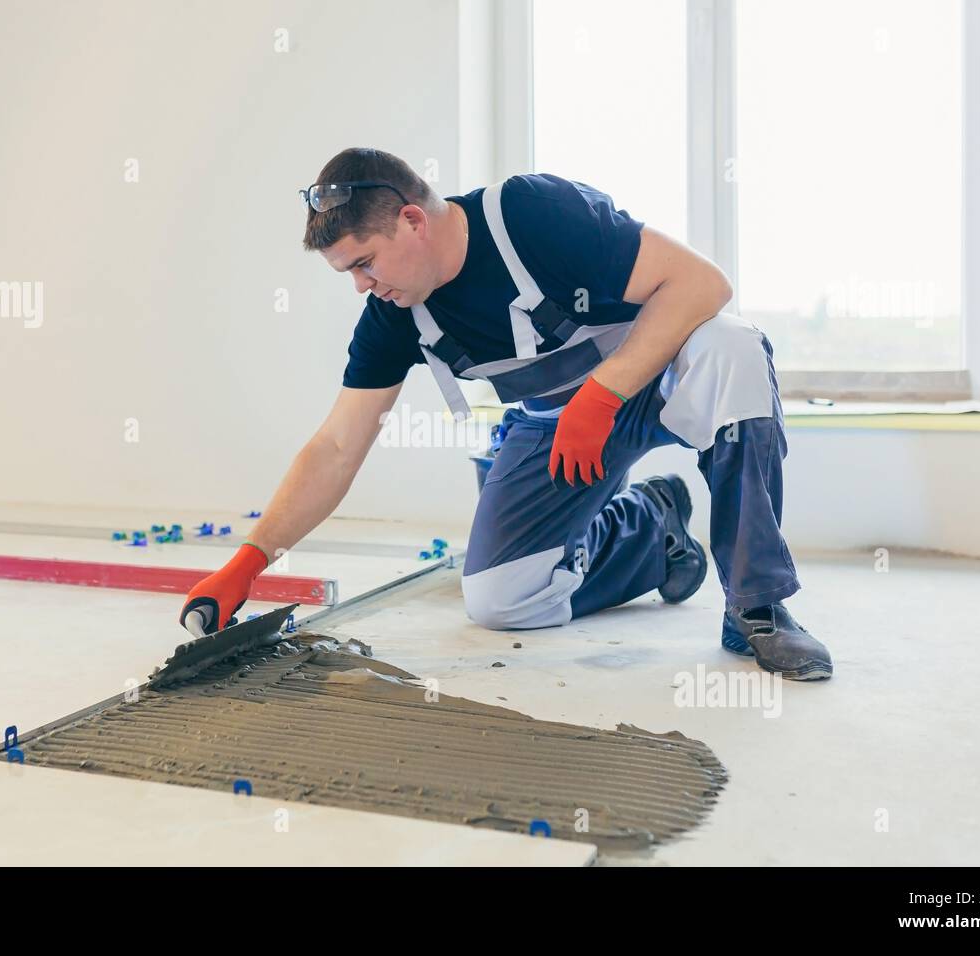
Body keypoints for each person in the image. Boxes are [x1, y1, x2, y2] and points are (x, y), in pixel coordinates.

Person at [180, 147, 832, 681]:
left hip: (661, 380)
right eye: (348, 273)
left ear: (412, 220)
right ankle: (654, 531)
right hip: (557, 424)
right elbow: (336, 447)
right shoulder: (394, 316)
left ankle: (757, 606)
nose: (361, 286)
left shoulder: (534, 215)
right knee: (501, 598)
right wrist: (251, 559)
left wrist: (602, 395)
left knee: (733, 344)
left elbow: (702, 283)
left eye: (364, 263)